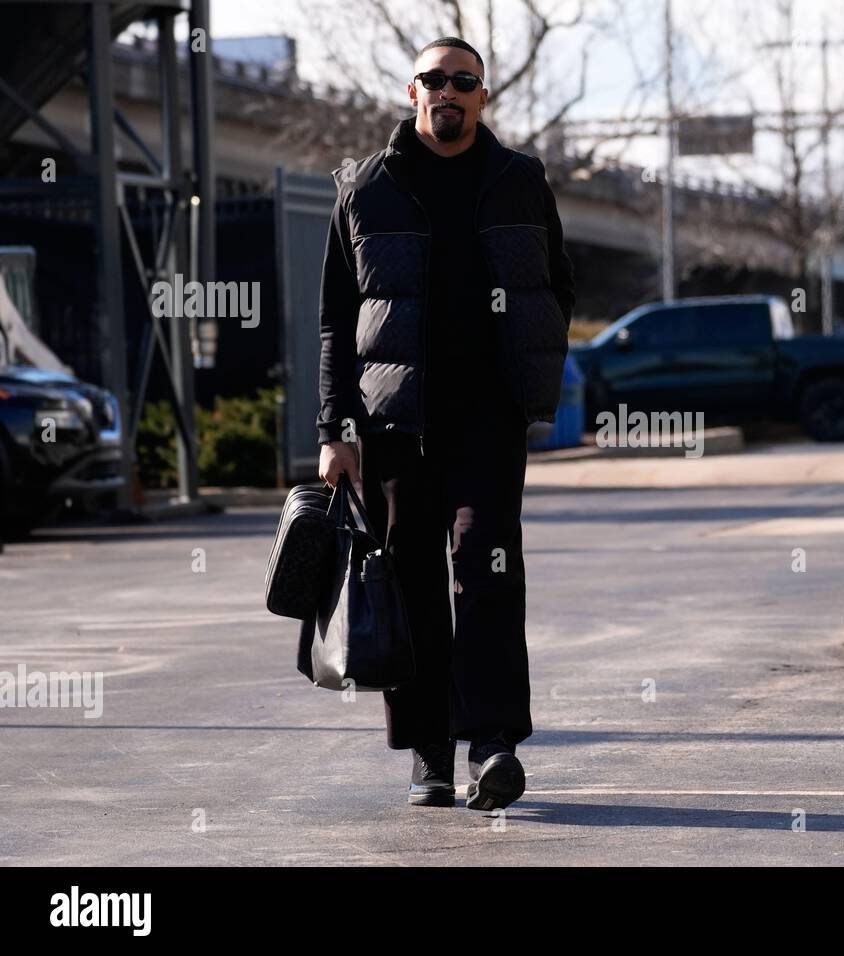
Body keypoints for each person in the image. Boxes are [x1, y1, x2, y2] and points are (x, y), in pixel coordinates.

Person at [315, 35, 575, 811]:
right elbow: (335, 318)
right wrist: (335, 430)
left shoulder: (519, 180)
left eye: (465, 81)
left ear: (482, 97)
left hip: (489, 420)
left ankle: (493, 744)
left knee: (488, 571)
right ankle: (429, 751)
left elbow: (558, 285)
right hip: (397, 424)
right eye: (436, 79)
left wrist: (530, 372)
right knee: (413, 583)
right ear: (412, 90)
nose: (449, 92)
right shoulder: (366, 188)